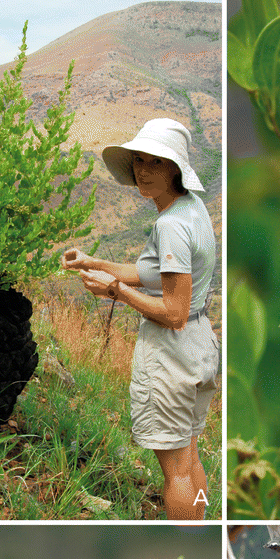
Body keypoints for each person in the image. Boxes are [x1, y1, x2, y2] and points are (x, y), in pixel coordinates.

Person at [62, 118, 219, 521]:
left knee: (176, 473)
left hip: (173, 354)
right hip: (202, 347)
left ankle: (186, 547)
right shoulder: (192, 208)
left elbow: (173, 313)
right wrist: (96, 263)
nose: (144, 171)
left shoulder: (170, 226)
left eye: (156, 162)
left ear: (176, 170)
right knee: (190, 456)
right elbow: (156, 274)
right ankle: (200, 524)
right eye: (138, 161)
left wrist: (114, 291)